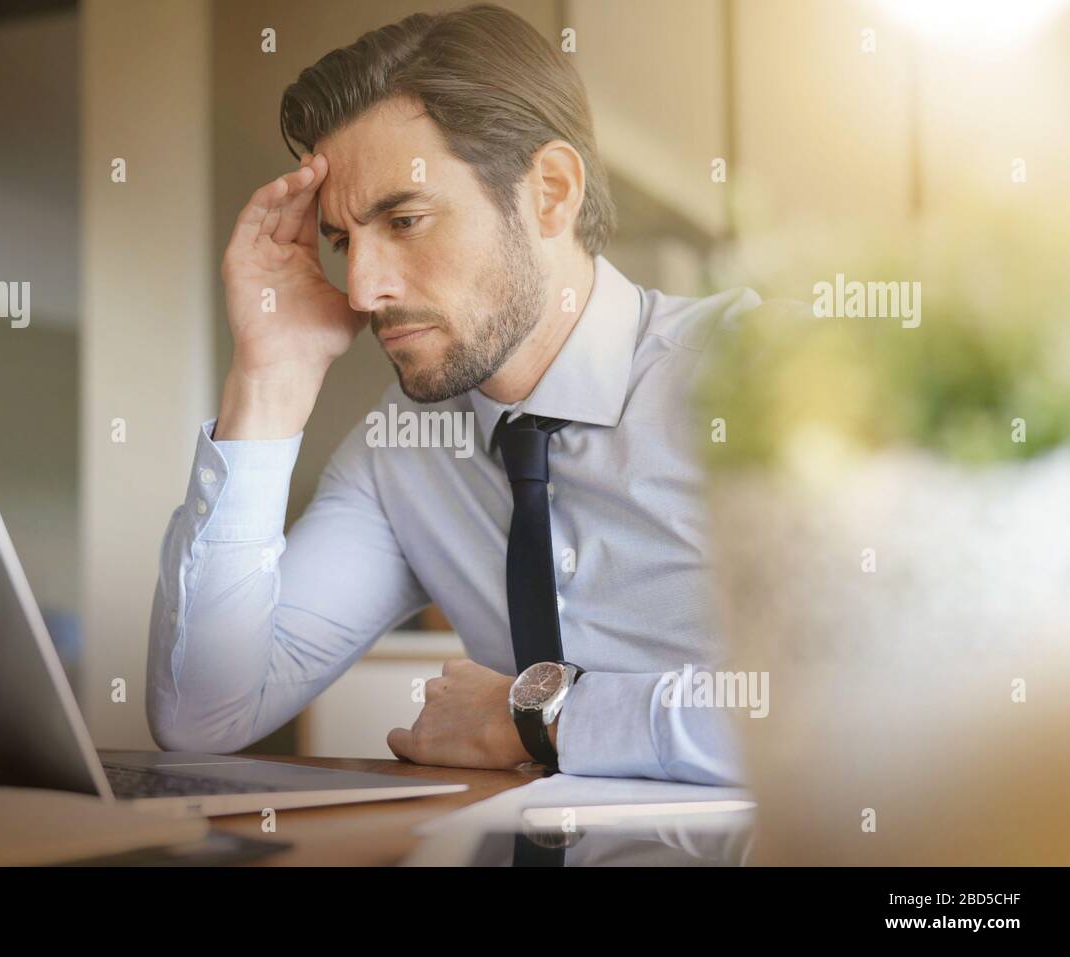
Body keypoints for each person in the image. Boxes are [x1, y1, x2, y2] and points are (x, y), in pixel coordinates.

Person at [147, 4, 758, 783]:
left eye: (404, 219)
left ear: (550, 193)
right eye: (342, 242)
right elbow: (201, 714)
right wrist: (265, 383)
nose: (363, 290)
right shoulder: (401, 455)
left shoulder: (752, 373)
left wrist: (539, 718)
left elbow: (880, 710)